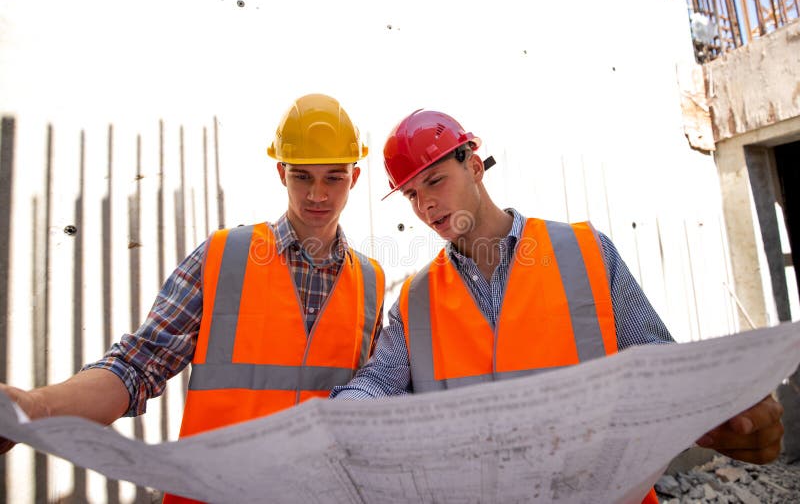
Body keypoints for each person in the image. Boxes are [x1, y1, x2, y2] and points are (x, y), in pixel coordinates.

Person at [331, 109, 784, 503]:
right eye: (411, 194)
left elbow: (659, 366)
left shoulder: (586, 252)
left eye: (434, 180)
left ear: (473, 165)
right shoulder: (416, 298)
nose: (426, 204)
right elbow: (377, 382)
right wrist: (336, 420)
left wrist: (724, 407)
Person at [0, 93, 385, 503]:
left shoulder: (370, 282)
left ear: (355, 178)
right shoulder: (226, 257)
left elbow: (369, 404)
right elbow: (138, 366)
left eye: (334, 177)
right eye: (302, 176)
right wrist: (34, 408)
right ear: (281, 173)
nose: (318, 195)